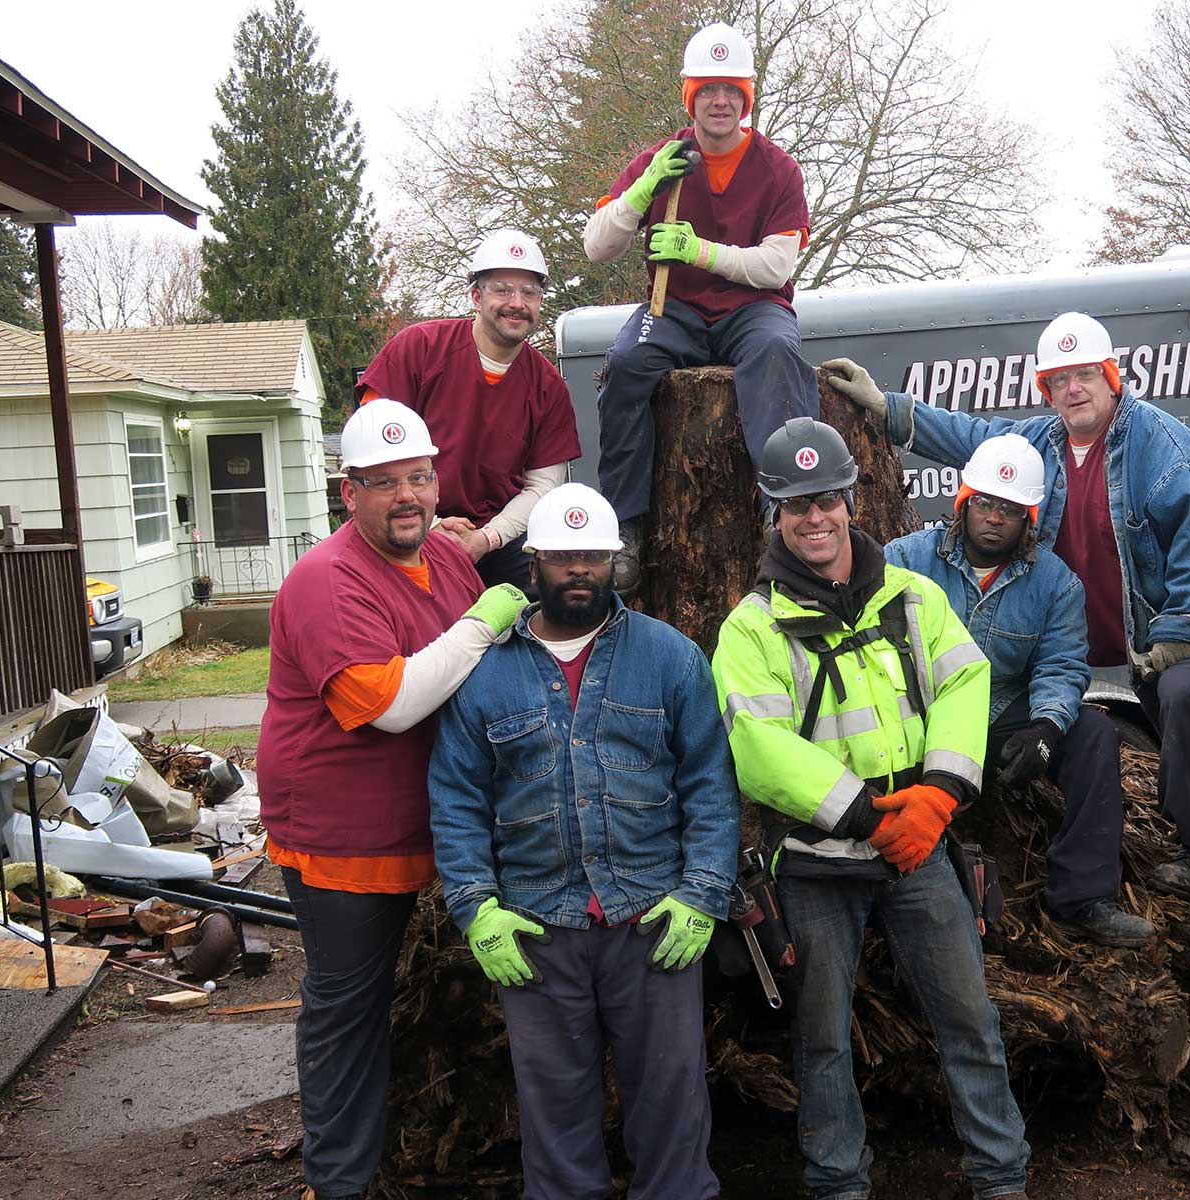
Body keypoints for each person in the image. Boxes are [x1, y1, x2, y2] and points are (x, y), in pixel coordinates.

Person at [823, 313, 1190, 897]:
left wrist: (1180, 629)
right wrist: (888, 408)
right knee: (1134, 729)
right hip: (1072, 629)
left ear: (1112, 376)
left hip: (1158, 634)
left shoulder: (1163, 445)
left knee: (1185, 701)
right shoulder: (1041, 443)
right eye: (1059, 379)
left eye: (1085, 374)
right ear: (1046, 389)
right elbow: (972, 440)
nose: (1073, 388)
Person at [712, 418, 1030, 1200]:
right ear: (773, 512)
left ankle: (1001, 1176)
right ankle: (838, 1183)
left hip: (920, 846)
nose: (814, 518)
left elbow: (965, 681)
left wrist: (941, 795)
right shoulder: (750, 629)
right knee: (821, 1041)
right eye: (796, 505)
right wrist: (869, 818)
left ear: (851, 499)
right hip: (821, 863)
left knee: (970, 1022)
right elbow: (757, 747)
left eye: (826, 500)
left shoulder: (911, 597)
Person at [428, 481, 739, 1200]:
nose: (579, 572)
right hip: (537, 929)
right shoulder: (484, 672)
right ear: (532, 566)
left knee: (671, 1108)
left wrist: (702, 894)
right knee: (555, 1114)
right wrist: (476, 908)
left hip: (653, 922)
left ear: (615, 563)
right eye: (563, 558)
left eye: (593, 558)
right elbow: (456, 799)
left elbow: (711, 787)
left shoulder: (670, 658)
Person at [256, 400, 529, 1200]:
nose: (408, 496)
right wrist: (482, 625)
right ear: (350, 492)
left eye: (420, 477)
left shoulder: (446, 560)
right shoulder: (324, 583)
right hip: (340, 835)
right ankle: (339, 1182)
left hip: (438, 821)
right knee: (348, 1007)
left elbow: (476, 679)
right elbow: (394, 704)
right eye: (385, 483)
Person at [884, 434, 1152, 948]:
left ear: (1029, 518)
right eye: (983, 503)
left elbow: (1061, 664)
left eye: (1009, 509)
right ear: (963, 502)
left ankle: (1083, 898)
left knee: (1094, 734)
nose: (993, 518)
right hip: (918, 716)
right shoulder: (905, 559)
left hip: (999, 711)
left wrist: (1047, 728)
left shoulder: (1055, 584)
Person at [582, 21, 818, 593]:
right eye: (708, 89)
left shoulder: (778, 168)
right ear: (691, 96)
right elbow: (596, 246)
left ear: (745, 98)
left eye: (731, 89)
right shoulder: (661, 160)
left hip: (753, 309)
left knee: (776, 352)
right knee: (627, 365)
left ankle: (782, 509)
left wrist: (699, 250)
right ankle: (627, 528)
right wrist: (641, 194)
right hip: (675, 309)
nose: (720, 100)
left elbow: (776, 267)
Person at [356, 228, 582, 587]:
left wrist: (484, 539)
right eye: (502, 289)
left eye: (529, 292)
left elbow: (543, 487)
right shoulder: (419, 348)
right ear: (476, 296)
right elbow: (369, 448)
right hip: (405, 523)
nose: (517, 303)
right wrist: (430, 527)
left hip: (497, 538)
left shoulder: (548, 386)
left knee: (537, 620)